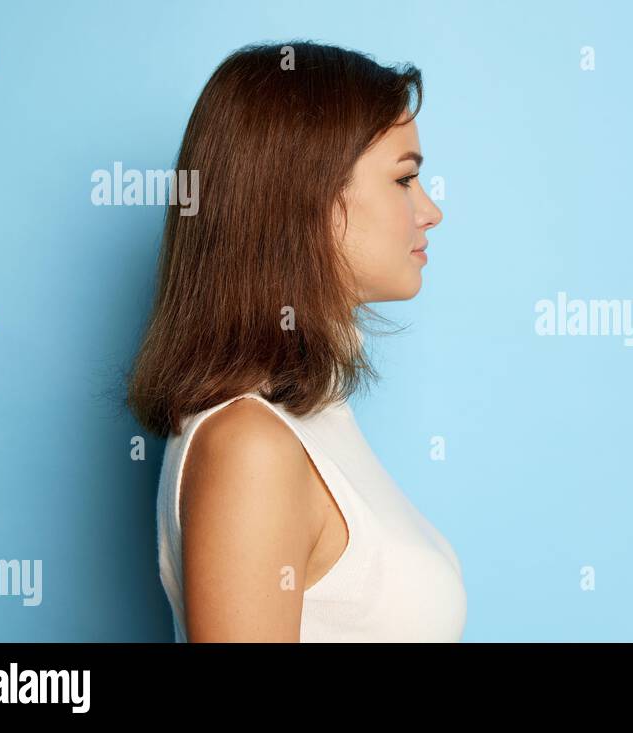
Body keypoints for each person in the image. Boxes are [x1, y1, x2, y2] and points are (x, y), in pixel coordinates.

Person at [126, 41, 464, 642]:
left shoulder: (310, 421)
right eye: (405, 178)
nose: (430, 210)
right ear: (307, 199)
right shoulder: (247, 446)